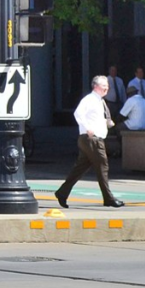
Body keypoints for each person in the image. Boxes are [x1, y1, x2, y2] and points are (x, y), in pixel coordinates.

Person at [55, 75, 124, 209]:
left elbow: (94, 118)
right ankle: (108, 198)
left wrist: (106, 123)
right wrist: (88, 128)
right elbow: (78, 113)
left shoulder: (99, 101)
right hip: (92, 140)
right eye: (104, 86)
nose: (107, 88)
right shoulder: (90, 99)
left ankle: (62, 192)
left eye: (107, 86)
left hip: (91, 140)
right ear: (96, 86)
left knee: (80, 168)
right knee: (102, 167)